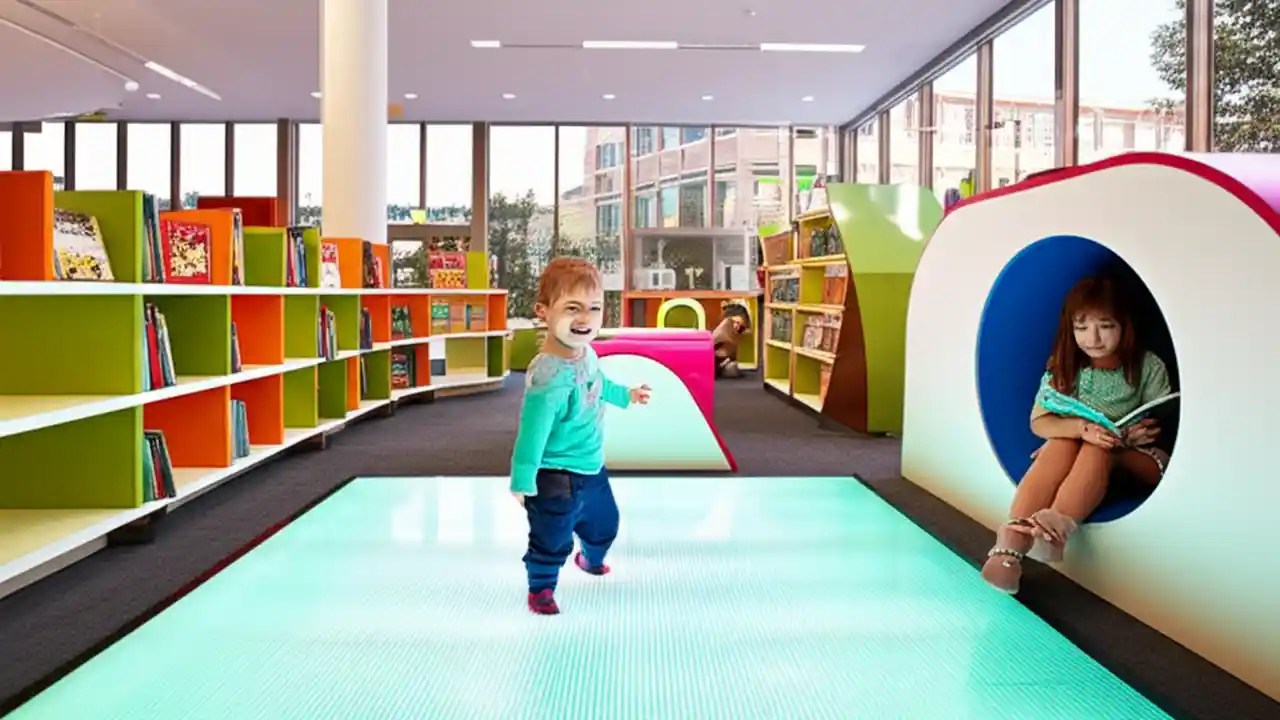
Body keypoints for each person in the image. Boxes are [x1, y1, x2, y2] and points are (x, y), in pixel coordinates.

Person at [982, 276, 1172, 594]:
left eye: (1105, 326)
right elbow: (1040, 422)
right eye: (1081, 327)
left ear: (1125, 325)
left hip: (1140, 459)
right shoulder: (1067, 366)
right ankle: (1011, 543)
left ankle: (1052, 531)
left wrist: (1135, 434)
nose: (1092, 338)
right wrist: (1082, 429)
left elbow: (1164, 417)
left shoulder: (1147, 365)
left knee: (1099, 447)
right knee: (1062, 442)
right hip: (1084, 455)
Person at [510, 257, 651, 615]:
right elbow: (532, 432)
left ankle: (590, 559)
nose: (585, 318)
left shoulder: (586, 353)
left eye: (594, 308)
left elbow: (597, 384)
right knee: (551, 538)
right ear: (543, 312)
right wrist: (522, 480)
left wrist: (626, 395)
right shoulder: (549, 377)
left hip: (592, 467)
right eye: (572, 308)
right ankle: (541, 588)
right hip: (555, 476)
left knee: (605, 526)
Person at [711, 301, 752, 378]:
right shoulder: (722, 332)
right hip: (716, 360)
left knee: (733, 368)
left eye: (739, 324)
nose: (736, 326)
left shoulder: (735, 331)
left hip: (724, 359)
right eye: (734, 322)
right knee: (732, 369)